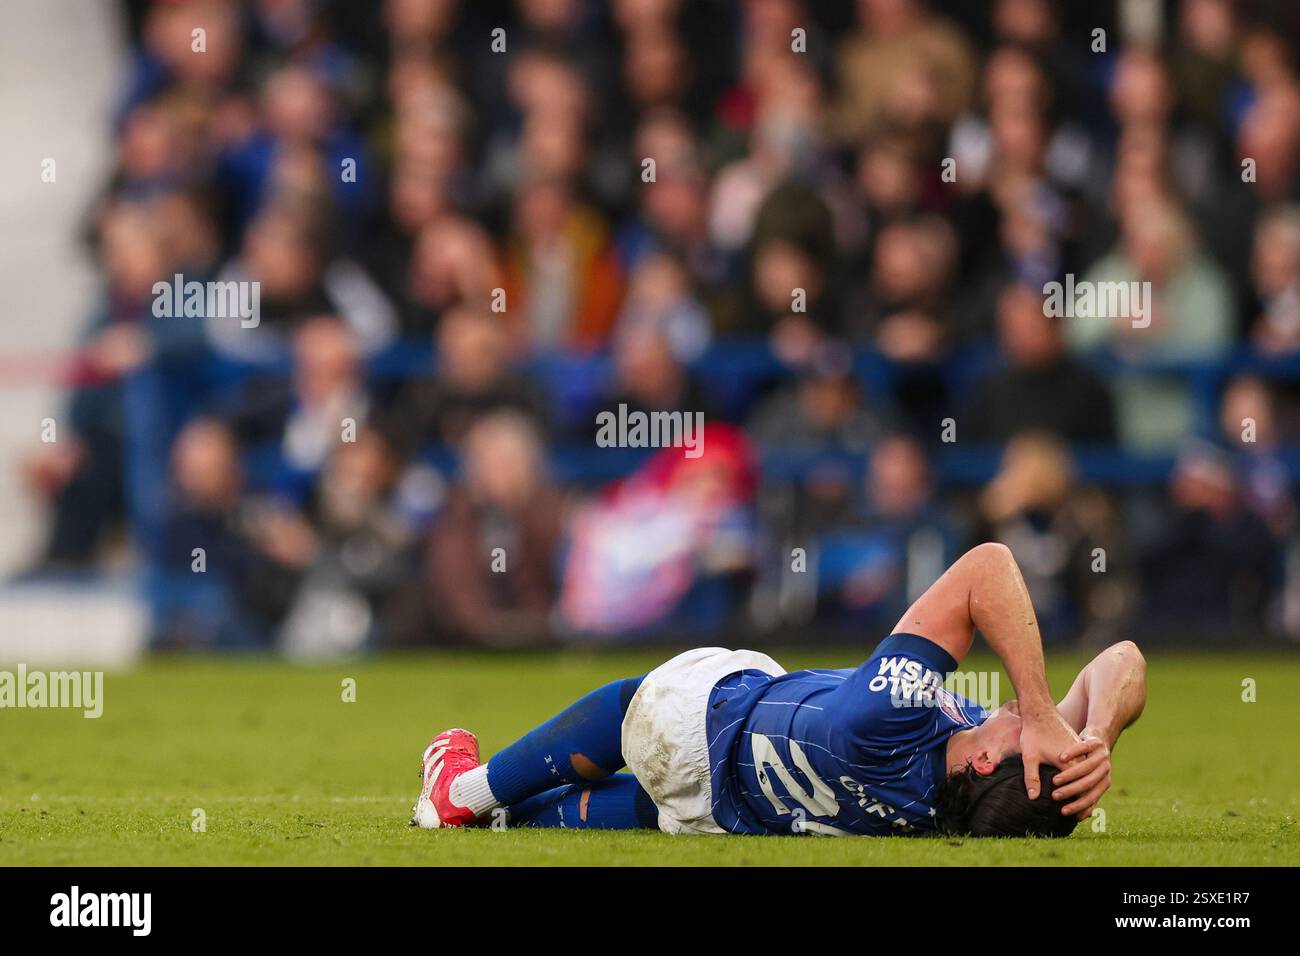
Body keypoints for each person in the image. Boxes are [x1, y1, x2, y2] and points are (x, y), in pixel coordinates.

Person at [411, 543, 1146, 837]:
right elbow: (1124, 660)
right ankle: (505, 824)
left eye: (1024, 733)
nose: (1022, 714)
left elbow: (987, 568)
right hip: (727, 810)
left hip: (698, 724)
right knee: (650, 800)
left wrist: (1047, 710)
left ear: (987, 763)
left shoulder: (885, 723)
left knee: (642, 699)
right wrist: (1094, 738)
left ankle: (464, 794)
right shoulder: (949, 805)